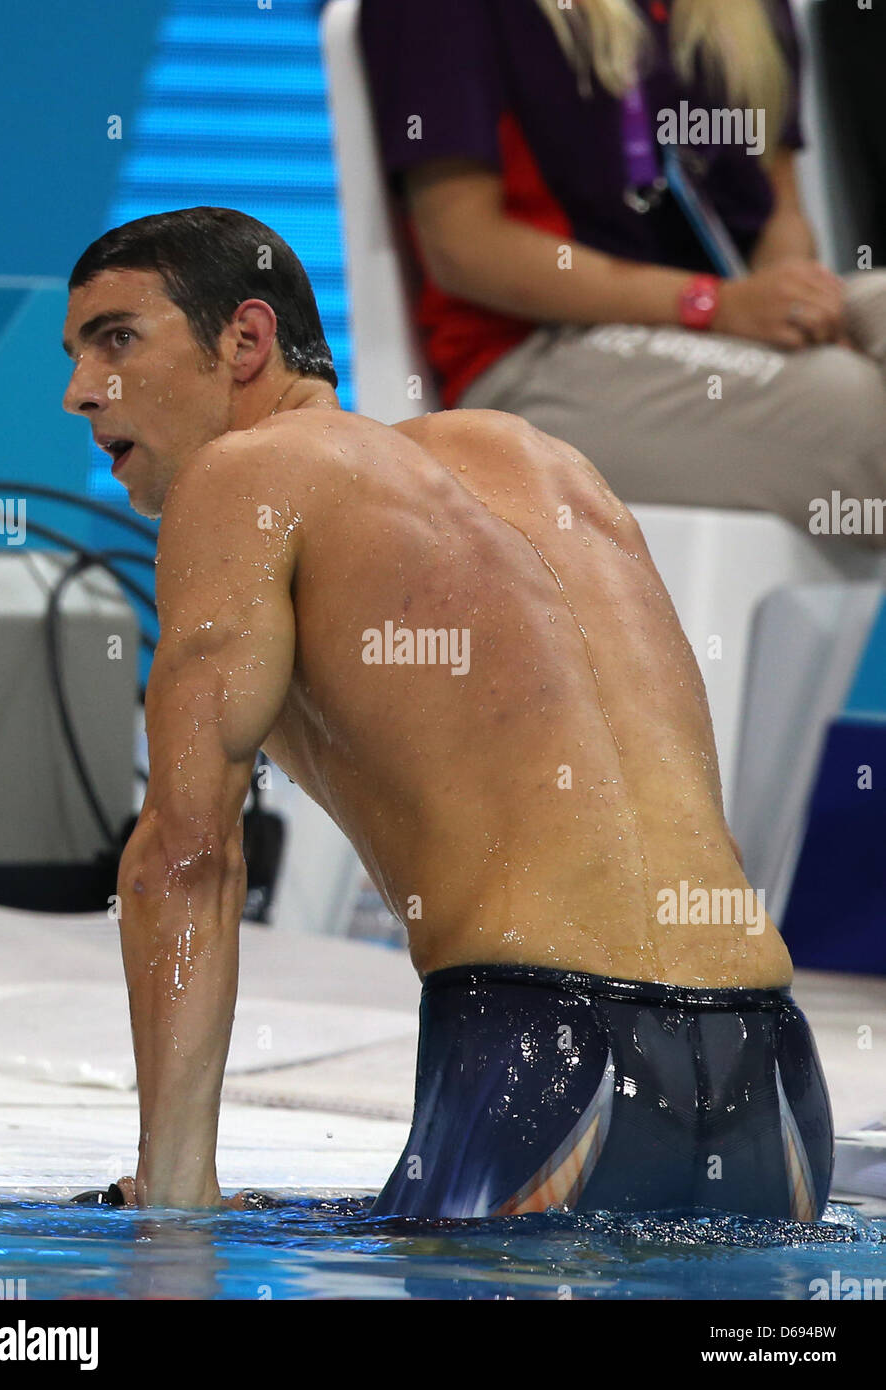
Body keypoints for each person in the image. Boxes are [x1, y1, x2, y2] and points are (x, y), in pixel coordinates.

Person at [61, 206, 832, 1219]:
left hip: (545, 1076)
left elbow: (184, 857)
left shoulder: (244, 478)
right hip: (775, 1083)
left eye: (117, 340)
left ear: (246, 340)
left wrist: (173, 1203)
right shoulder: (543, 462)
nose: (81, 393)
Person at [360, 0, 886, 542]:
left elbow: (781, 208)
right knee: (859, 412)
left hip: (731, 318)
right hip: (540, 355)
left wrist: (798, 308)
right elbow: (464, 247)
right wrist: (713, 305)